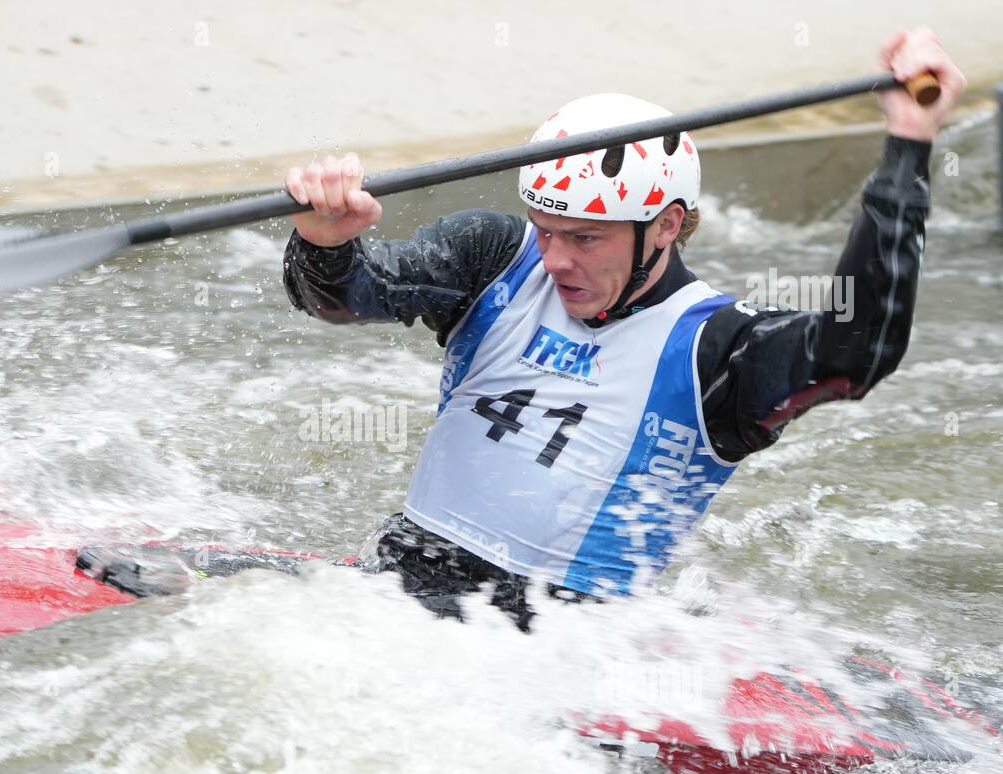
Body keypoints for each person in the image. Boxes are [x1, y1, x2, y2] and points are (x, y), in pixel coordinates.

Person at [281, 27, 965, 630]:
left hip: (555, 644)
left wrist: (908, 144)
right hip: (399, 586)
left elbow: (858, 349)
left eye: (585, 238)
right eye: (545, 230)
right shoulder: (492, 258)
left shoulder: (719, 351)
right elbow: (346, 298)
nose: (555, 260)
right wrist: (325, 243)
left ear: (666, 224)